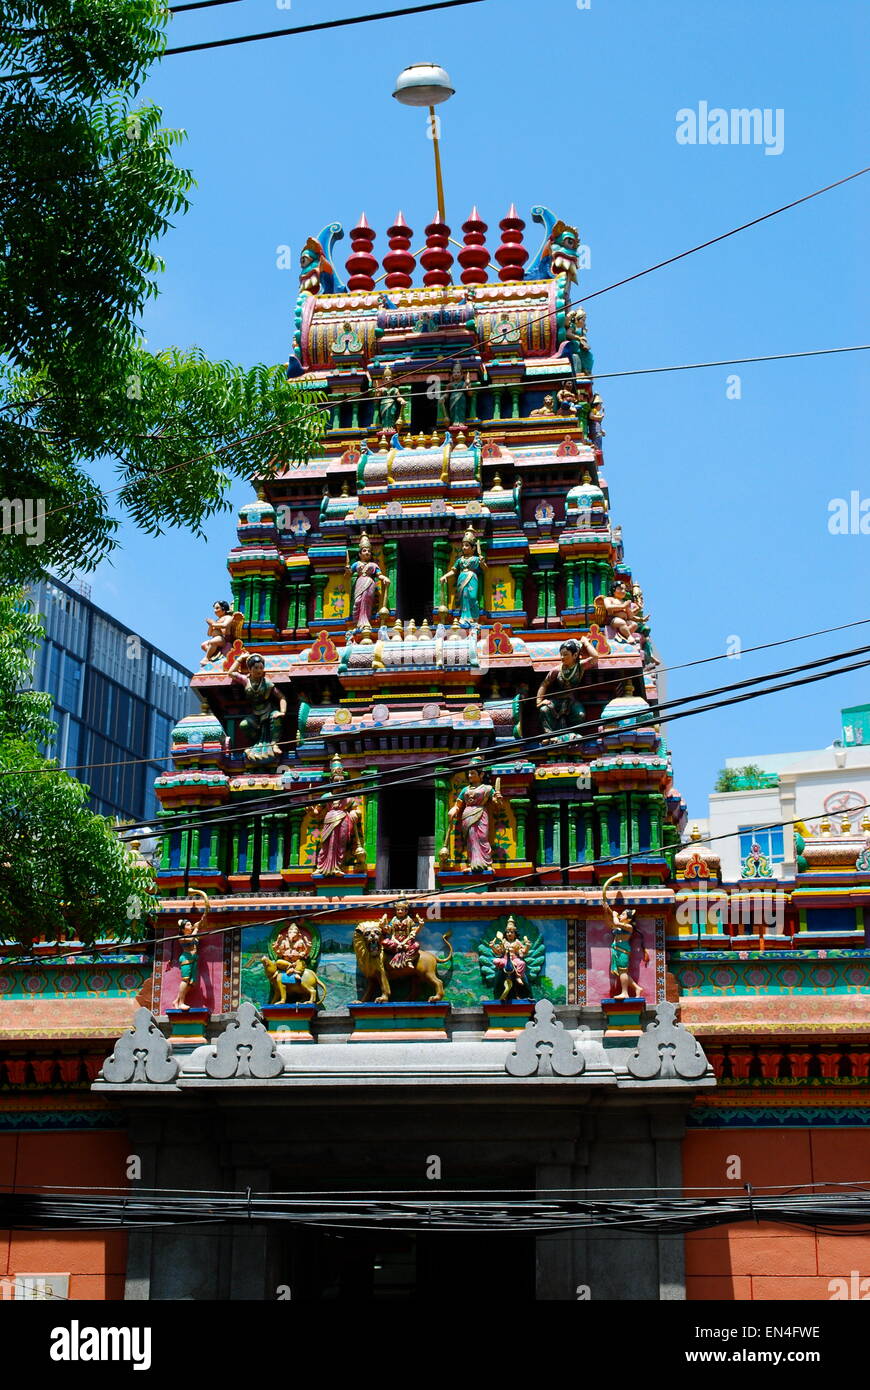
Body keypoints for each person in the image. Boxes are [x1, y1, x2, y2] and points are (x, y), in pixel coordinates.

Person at [447, 761, 505, 873]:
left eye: (472, 773)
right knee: (471, 840)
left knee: (482, 838)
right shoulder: (465, 790)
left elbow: (496, 804)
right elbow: (458, 805)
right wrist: (453, 810)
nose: (470, 776)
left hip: (481, 813)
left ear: (481, 775)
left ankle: (486, 863)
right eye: (469, 773)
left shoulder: (487, 788)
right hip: (467, 815)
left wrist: (498, 799)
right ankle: (472, 864)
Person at [311, 757, 365, 877]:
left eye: (342, 781)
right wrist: (310, 810)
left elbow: (356, 810)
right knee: (325, 845)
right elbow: (317, 811)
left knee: (340, 844)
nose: (340, 783)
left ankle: (337, 867)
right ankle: (321, 868)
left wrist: (354, 813)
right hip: (329, 820)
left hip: (343, 820)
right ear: (331, 781)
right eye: (337, 780)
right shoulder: (326, 796)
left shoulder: (348, 797)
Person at [536, 638, 597, 737]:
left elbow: (595, 657)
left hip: (571, 700)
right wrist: (539, 701)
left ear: (575, 655)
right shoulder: (556, 670)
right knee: (544, 710)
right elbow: (544, 684)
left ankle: (573, 734)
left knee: (580, 714)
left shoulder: (580, 667)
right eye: (561, 654)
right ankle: (549, 735)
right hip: (556, 700)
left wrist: (586, 642)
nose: (562, 657)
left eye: (566, 654)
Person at [601, 872, 649, 999]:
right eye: (621, 914)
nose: (621, 915)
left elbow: (615, 921)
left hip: (623, 950)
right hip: (617, 949)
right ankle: (637, 988)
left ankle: (625, 993)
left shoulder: (628, 927)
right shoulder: (619, 926)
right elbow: (610, 924)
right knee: (622, 972)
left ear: (628, 919)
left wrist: (615, 915)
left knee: (623, 971)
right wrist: (606, 911)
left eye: (623, 914)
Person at [233, 654, 287, 754]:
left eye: (261, 668)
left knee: (276, 718)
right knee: (244, 725)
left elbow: (282, 697)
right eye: (256, 668)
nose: (259, 670)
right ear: (250, 669)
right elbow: (231, 673)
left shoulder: (267, 683)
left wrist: (282, 712)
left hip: (269, 710)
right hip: (255, 714)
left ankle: (274, 744)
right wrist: (240, 659)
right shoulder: (246, 681)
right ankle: (255, 743)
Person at [440, 528, 485, 628]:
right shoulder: (460, 560)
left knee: (472, 597)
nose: (464, 548)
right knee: (464, 598)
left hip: (472, 577)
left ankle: (474, 618)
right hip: (461, 578)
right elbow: (453, 571)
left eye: (467, 545)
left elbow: (484, 569)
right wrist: (444, 576)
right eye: (463, 545)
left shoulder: (476, 559)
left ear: (473, 548)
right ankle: (464, 618)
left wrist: (482, 562)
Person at [172, 889, 208, 1010]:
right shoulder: (181, 937)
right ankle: (181, 1002)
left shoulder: (193, 935)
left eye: (190, 924)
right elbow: (190, 939)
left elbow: (199, 937)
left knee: (192, 983)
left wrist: (203, 921)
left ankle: (176, 1001)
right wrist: (196, 929)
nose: (190, 925)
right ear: (182, 929)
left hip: (194, 959)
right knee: (185, 980)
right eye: (187, 925)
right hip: (186, 959)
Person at [347, 533, 389, 632]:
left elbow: (379, 575)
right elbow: (348, 575)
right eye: (364, 550)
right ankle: (358, 622)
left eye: (369, 551)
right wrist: (347, 570)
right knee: (358, 601)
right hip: (360, 582)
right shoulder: (356, 564)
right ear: (360, 553)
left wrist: (384, 578)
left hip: (369, 583)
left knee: (367, 601)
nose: (367, 553)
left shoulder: (373, 565)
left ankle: (365, 621)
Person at [488, 917, 532, 1000]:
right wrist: (492, 947)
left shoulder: (517, 942)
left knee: (522, 963)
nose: (509, 934)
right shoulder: (503, 942)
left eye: (511, 932)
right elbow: (499, 952)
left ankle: (518, 976)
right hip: (505, 959)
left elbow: (523, 952)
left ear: (515, 933)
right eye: (508, 932)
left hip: (514, 959)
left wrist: (528, 946)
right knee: (495, 960)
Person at [378, 899, 423, 968]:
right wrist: (383, 926)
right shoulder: (394, 919)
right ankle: (398, 949)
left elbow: (413, 931)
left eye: (402, 910)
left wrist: (420, 926)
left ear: (406, 911)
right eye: (398, 910)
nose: (400, 911)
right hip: (395, 940)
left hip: (407, 940)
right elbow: (389, 930)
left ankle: (408, 959)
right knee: (384, 942)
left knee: (416, 945)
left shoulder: (409, 920)